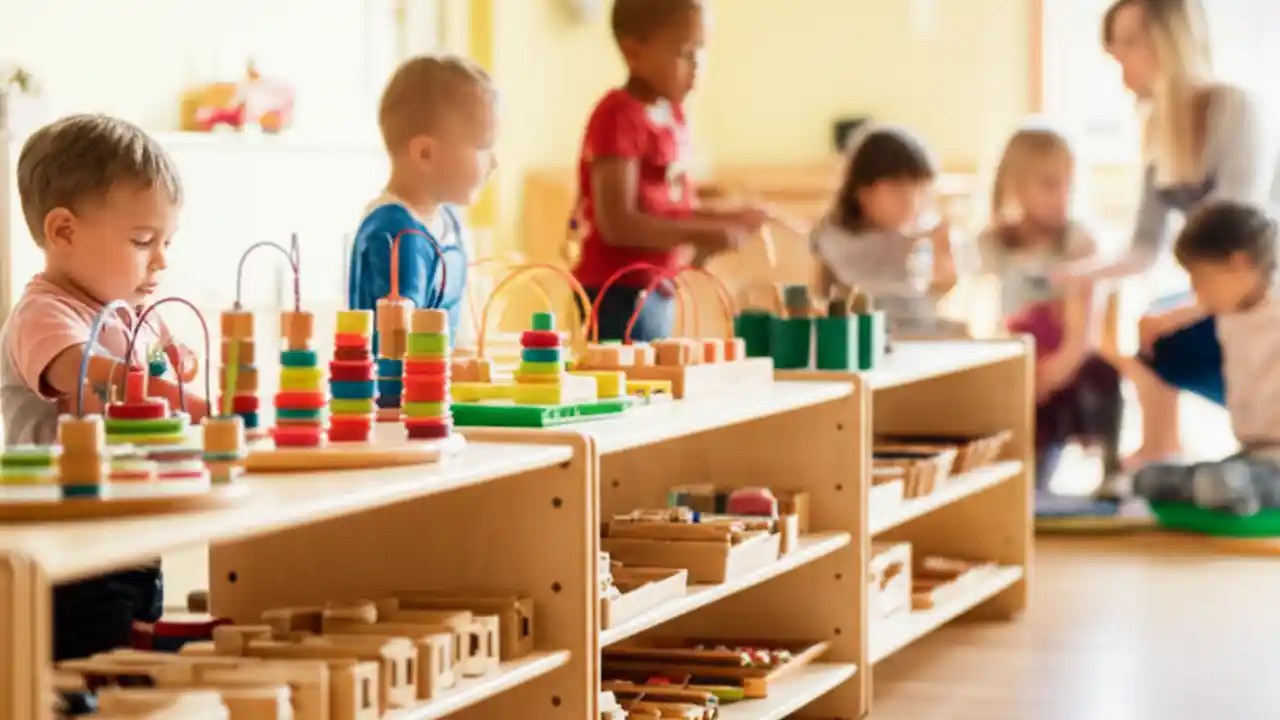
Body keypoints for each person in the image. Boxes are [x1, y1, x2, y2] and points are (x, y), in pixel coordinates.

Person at [0, 114, 207, 659]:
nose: (161, 260)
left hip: (131, 528)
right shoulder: (43, 315)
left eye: (167, 240)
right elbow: (101, 383)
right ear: (63, 231)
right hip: (68, 542)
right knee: (87, 667)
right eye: (143, 240)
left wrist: (177, 361)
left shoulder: (134, 311)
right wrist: (197, 405)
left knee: (135, 666)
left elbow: (160, 367)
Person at [1059, 0, 1280, 468]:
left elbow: (1237, 242)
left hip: (1260, 284)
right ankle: (1162, 450)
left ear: (1169, 41)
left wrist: (1178, 311)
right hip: (1221, 282)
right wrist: (1071, 273)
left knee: (1162, 327)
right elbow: (1143, 247)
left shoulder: (1234, 110)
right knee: (1151, 330)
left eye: (1128, 43)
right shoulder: (1160, 132)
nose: (1118, 58)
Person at [573, 0, 767, 342]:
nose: (697, 66)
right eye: (685, 53)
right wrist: (701, 233)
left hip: (657, 287)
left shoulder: (674, 116)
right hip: (616, 291)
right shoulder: (618, 116)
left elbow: (673, 210)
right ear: (634, 52)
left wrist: (730, 218)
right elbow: (617, 223)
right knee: (630, 385)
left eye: (701, 52)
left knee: (654, 383)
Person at [978, 127, 1122, 489]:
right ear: (1015, 186)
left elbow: (1081, 333)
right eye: (1049, 184)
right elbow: (988, 317)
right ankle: (1022, 478)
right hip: (1020, 359)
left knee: (1103, 377)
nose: (1062, 197)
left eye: (1068, 186)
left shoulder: (1078, 243)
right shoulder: (993, 244)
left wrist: (1051, 373)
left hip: (1067, 363)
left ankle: (1110, 475)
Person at [1134, 201, 1280, 515]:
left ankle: (1228, 491)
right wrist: (1161, 321)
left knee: (1221, 484)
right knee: (1150, 479)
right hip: (1252, 456)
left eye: (1201, 279)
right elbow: (1198, 308)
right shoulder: (1228, 309)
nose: (1196, 290)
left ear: (1238, 264)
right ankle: (1214, 487)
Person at [349, 55, 496, 346]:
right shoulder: (396, 231)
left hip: (436, 383)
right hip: (400, 388)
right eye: (482, 147)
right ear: (425, 154)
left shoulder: (447, 220)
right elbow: (397, 347)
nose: (494, 162)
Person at [810, 124, 965, 337]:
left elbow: (938, 290)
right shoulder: (835, 236)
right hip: (864, 332)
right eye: (899, 192)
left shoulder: (922, 234)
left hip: (917, 325)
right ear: (863, 192)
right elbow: (855, 271)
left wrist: (943, 254)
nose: (911, 203)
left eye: (920, 192)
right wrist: (907, 244)